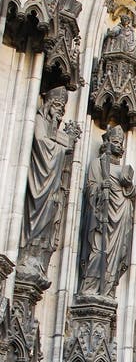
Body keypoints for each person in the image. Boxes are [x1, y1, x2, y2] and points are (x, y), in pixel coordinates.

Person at [19, 86, 72, 278]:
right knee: (34, 215)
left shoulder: (53, 127)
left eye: (63, 107)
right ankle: (25, 256)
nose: (60, 109)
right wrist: (63, 146)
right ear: (48, 103)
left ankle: (37, 258)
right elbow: (41, 143)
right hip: (39, 181)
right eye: (57, 104)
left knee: (50, 215)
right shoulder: (40, 120)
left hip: (51, 184)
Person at [78, 126, 135, 299]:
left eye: (120, 143)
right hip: (102, 215)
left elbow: (131, 194)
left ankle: (108, 290)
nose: (119, 146)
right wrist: (101, 188)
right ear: (107, 143)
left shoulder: (124, 169)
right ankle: (91, 287)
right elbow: (91, 188)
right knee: (97, 251)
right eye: (115, 142)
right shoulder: (98, 164)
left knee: (116, 254)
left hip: (122, 213)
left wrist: (129, 186)